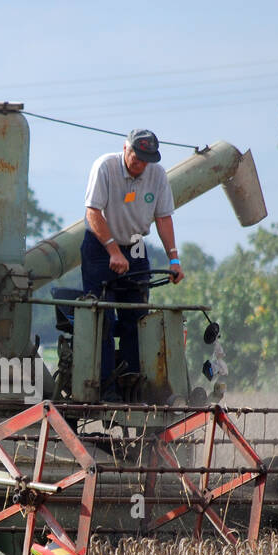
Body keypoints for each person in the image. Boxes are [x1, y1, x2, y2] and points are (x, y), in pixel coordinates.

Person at [81, 128, 181, 401]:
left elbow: (163, 217)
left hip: (136, 245)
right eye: (137, 158)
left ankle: (133, 388)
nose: (140, 165)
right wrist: (113, 250)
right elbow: (93, 212)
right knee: (102, 319)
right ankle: (105, 389)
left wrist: (174, 258)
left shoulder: (157, 175)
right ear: (125, 149)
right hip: (100, 248)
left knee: (136, 319)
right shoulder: (105, 167)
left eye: (146, 160)